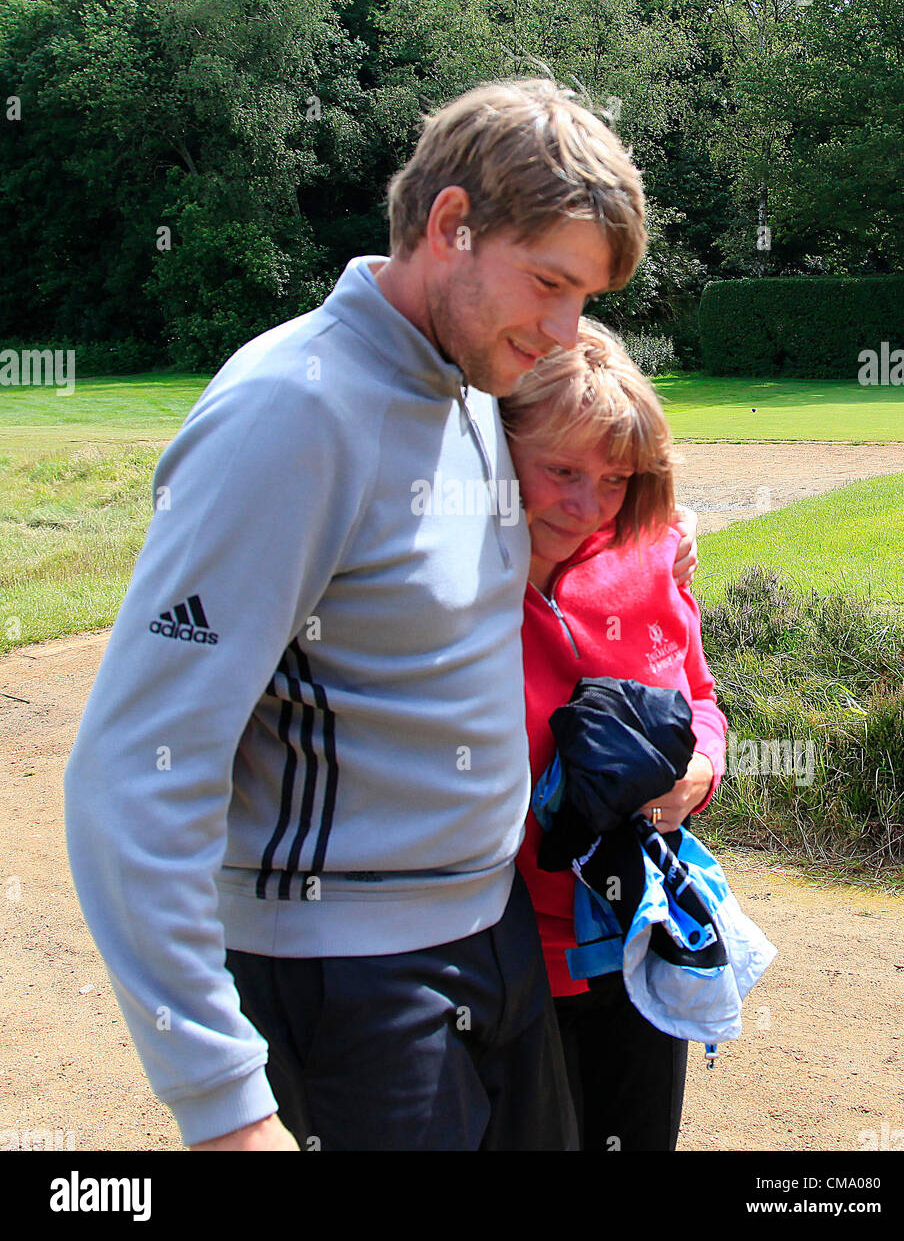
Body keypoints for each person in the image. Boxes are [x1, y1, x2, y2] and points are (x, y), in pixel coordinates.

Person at [62, 77, 693, 1151]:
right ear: (450, 225)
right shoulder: (292, 409)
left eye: (582, 299)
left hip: (490, 941)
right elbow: (136, 766)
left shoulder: (472, 391)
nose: (562, 331)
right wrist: (221, 1102)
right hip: (342, 975)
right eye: (547, 282)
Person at [499, 315, 728, 1151]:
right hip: (491, 946)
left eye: (616, 479)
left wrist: (700, 764)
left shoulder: (651, 552)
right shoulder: (437, 577)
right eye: (559, 469)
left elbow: (700, 694)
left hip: (635, 939)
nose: (584, 504)